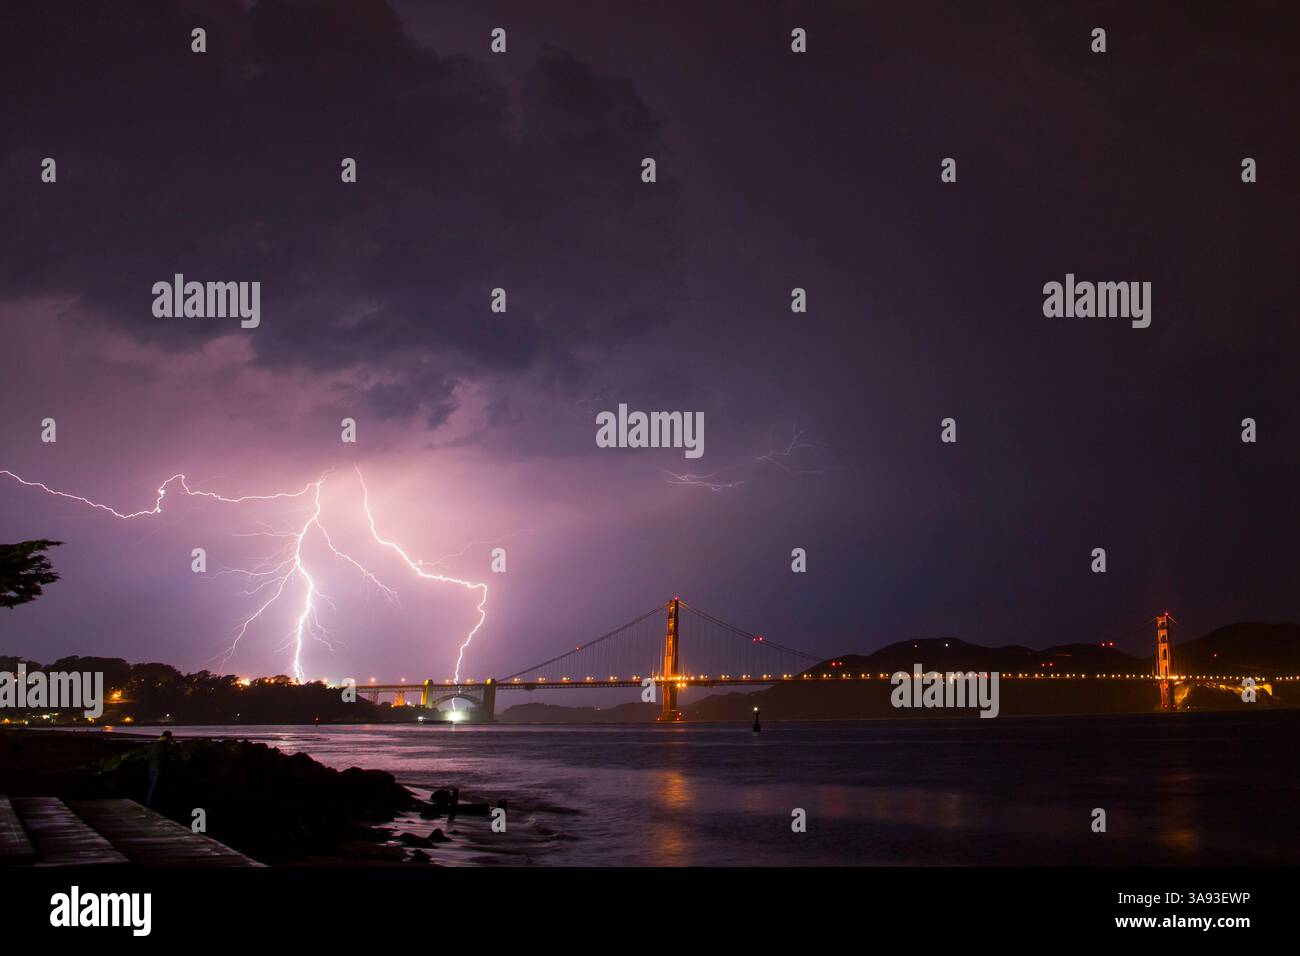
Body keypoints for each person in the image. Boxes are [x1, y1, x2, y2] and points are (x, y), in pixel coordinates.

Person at [146, 730, 173, 807]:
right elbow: (165, 756)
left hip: (151, 766)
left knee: (152, 785)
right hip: (158, 766)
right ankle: (151, 803)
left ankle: (150, 802)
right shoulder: (164, 745)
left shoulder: (157, 743)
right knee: (155, 786)